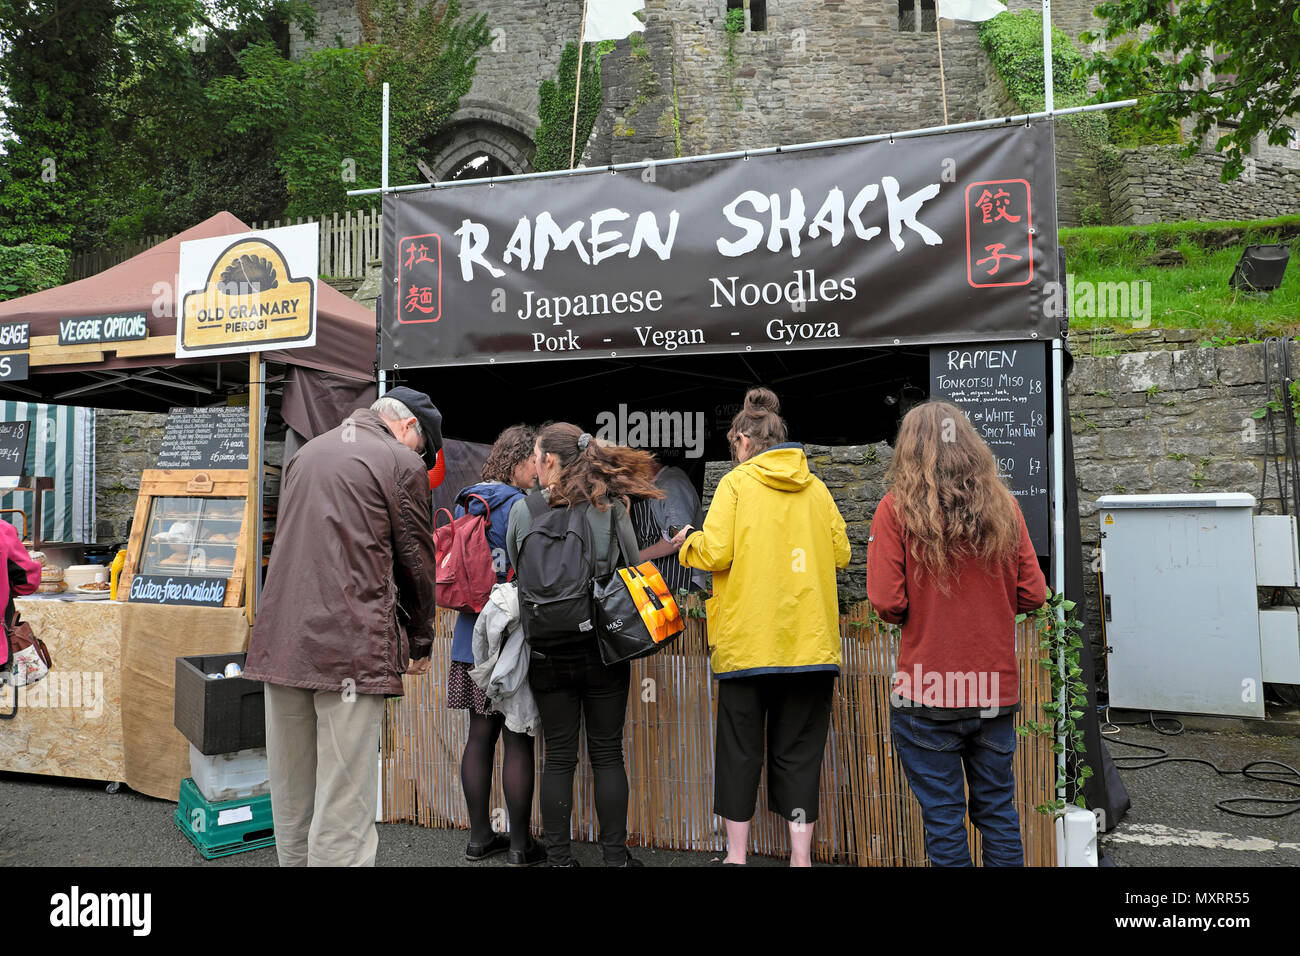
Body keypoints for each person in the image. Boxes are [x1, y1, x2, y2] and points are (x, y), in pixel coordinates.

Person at [243, 386, 442, 867]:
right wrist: (421, 639)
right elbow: (416, 562)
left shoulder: (308, 452)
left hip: (282, 644)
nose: (419, 457)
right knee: (344, 802)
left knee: (292, 793)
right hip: (350, 646)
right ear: (409, 426)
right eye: (422, 448)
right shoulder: (399, 461)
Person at [866, 400, 1047, 867]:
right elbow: (1034, 593)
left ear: (908, 450)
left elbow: (887, 602)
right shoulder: (1005, 507)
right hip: (992, 690)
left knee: (944, 818)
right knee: (998, 811)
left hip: (927, 691)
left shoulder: (895, 510)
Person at [675, 387, 850, 867]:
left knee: (740, 752)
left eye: (734, 444)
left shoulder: (736, 485)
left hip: (747, 646)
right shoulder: (817, 489)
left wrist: (688, 541)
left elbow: (715, 553)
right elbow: (840, 553)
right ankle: (800, 860)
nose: (734, 452)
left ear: (745, 441)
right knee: (800, 755)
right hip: (809, 647)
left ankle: (737, 857)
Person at [506, 422, 662, 867]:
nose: (535, 465)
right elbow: (632, 565)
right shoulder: (607, 506)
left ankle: (559, 858)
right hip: (602, 647)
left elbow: (519, 568)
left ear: (550, 461)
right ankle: (615, 857)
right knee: (607, 753)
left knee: (558, 756)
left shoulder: (524, 510)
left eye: (537, 457)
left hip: (546, 650)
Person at [448, 424, 545, 866]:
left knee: (479, 736)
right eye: (533, 461)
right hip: (511, 641)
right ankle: (521, 846)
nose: (538, 471)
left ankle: (478, 838)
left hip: (470, 641)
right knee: (517, 739)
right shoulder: (521, 506)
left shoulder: (469, 501)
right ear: (518, 461)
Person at [629, 454, 708, 596]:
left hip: (685, 578)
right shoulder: (660, 484)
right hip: (667, 573)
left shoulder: (670, 484)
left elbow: (678, 537)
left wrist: (637, 558)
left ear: (649, 464)